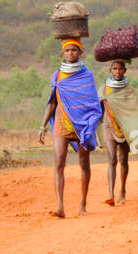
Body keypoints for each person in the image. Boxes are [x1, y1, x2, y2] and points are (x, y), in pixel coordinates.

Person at [38, 37, 103, 217]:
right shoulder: (57, 75)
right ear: (62, 54)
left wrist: (90, 123)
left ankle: (82, 204)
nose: (70, 53)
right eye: (67, 51)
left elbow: (92, 102)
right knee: (59, 162)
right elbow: (51, 103)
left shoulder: (86, 75)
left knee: (84, 163)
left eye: (74, 50)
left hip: (82, 124)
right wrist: (42, 127)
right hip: (61, 121)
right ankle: (60, 206)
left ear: (80, 53)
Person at [97, 58, 138, 206]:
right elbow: (98, 109)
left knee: (123, 160)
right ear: (110, 70)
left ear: (125, 71)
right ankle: (111, 194)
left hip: (125, 128)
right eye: (114, 69)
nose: (117, 71)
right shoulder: (103, 89)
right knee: (112, 160)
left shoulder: (128, 90)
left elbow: (134, 112)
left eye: (120, 69)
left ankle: (122, 190)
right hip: (108, 126)